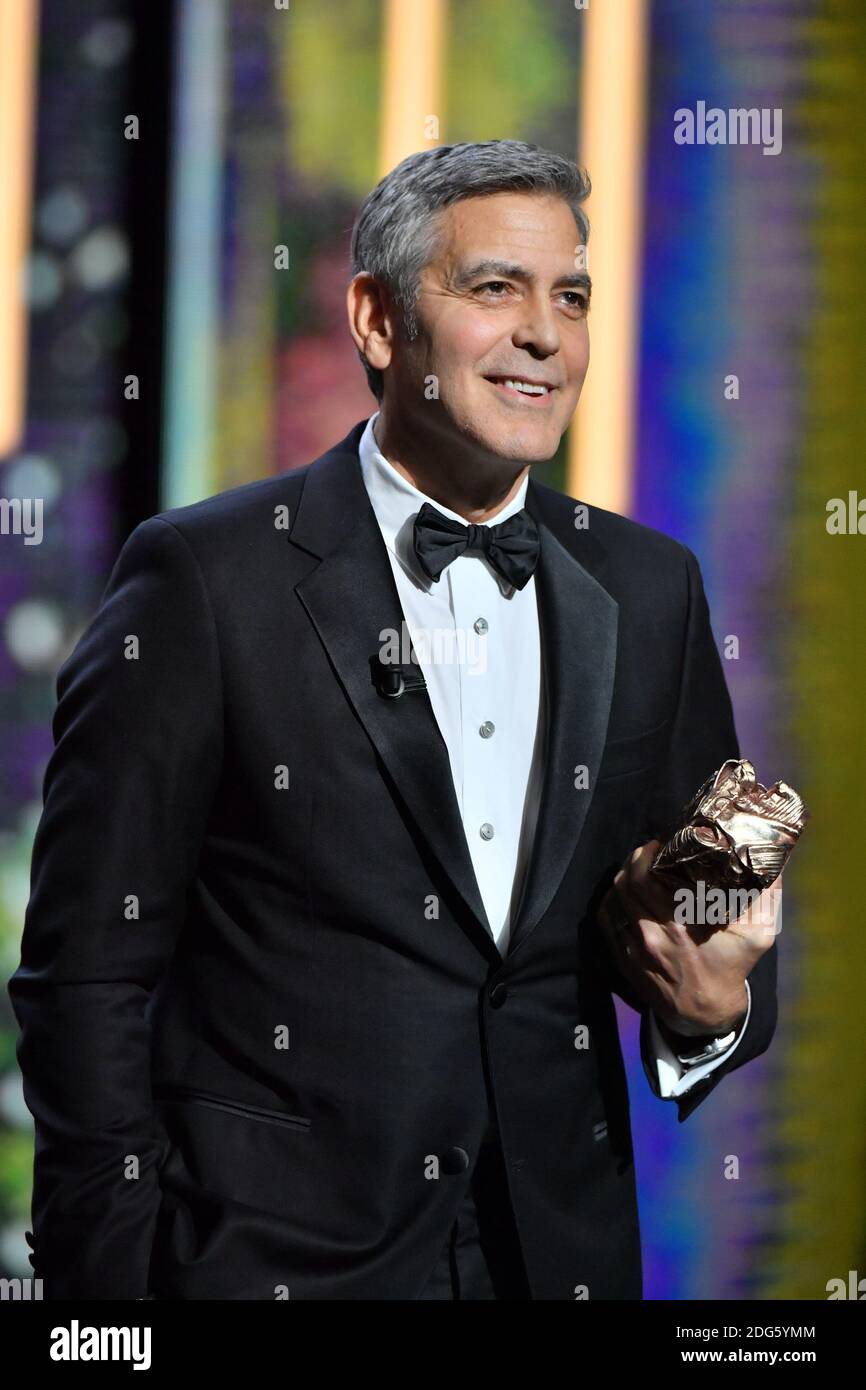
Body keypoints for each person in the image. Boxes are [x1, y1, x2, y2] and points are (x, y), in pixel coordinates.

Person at [8, 140, 778, 1301]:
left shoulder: (648, 586)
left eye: (568, 297)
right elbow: (86, 976)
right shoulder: (206, 580)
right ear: (374, 320)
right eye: (493, 289)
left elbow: (703, 949)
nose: (543, 335)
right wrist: (109, 1296)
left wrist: (710, 1007)